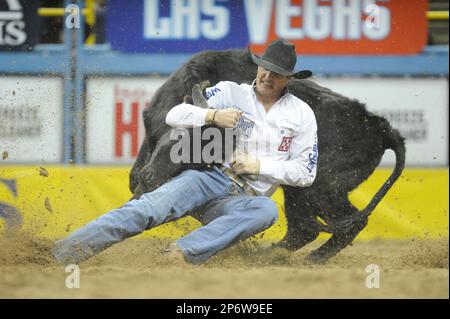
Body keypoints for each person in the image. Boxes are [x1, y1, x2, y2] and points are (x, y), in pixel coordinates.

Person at [52, 39, 318, 266]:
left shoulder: (301, 114)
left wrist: (260, 167)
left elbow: (306, 172)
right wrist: (212, 114)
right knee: (144, 210)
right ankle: (60, 253)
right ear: (259, 67)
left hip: (244, 200)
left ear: (289, 79)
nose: (268, 77)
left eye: (277, 73)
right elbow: (175, 114)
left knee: (266, 210)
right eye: (266, 68)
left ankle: (179, 253)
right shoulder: (231, 92)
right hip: (208, 178)